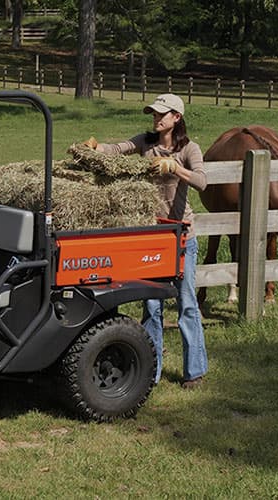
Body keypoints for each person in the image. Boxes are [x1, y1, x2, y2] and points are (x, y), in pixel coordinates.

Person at [81, 94, 208, 389]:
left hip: (181, 237)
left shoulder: (189, 149)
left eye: (161, 114)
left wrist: (175, 167)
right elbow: (119, 149)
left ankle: (194, 372)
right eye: (154, 114)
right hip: (152, 239)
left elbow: (202, 182)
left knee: (187, 304)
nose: (156, 118)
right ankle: (151, 371)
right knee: (151, 306)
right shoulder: (146, 143)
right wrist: (96, 148)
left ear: (177, 117)